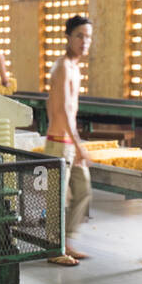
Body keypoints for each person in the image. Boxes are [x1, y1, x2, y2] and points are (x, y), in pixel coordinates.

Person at [44, 14, 93, 266]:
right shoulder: (62, 66)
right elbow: (62, 109)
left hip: (69, 143)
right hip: (59, 142)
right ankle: (55, 247)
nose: (84, 41)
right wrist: (78, 145)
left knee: (83, 189)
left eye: (88, 37)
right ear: (68, 37)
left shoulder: (75, 67)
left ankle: (66, 241)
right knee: (59, 196)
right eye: (79, 36)